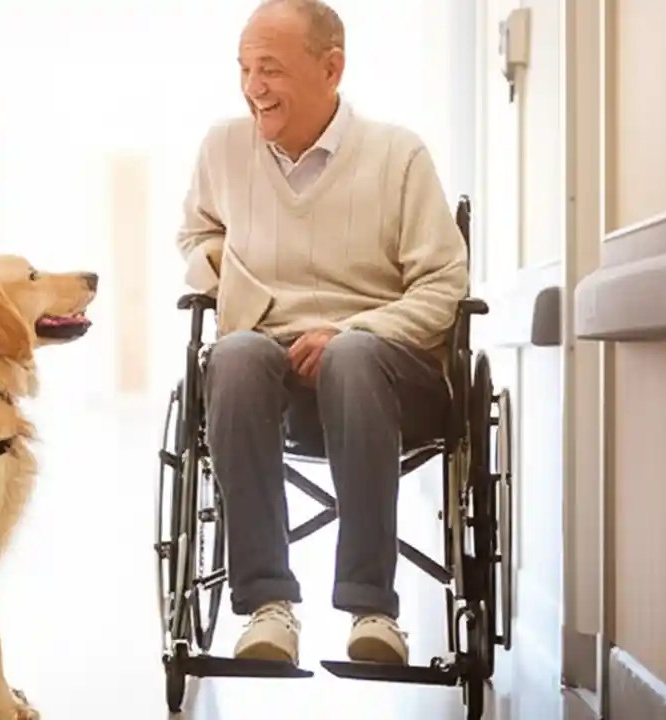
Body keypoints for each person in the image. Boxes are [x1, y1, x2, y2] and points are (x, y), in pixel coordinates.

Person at [175, 0, 469, 667]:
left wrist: (351, 329)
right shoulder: (224, 148)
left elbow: (444, 286)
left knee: (354, 358)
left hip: (386, 376)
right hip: (273, 380)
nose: (253, 87)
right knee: (237, 355)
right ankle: (267, 609)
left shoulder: (397, 155)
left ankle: (373, 609)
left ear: (331, 68)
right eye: (245, 68)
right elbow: (196, 236)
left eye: (270, 69)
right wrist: (240, 288)